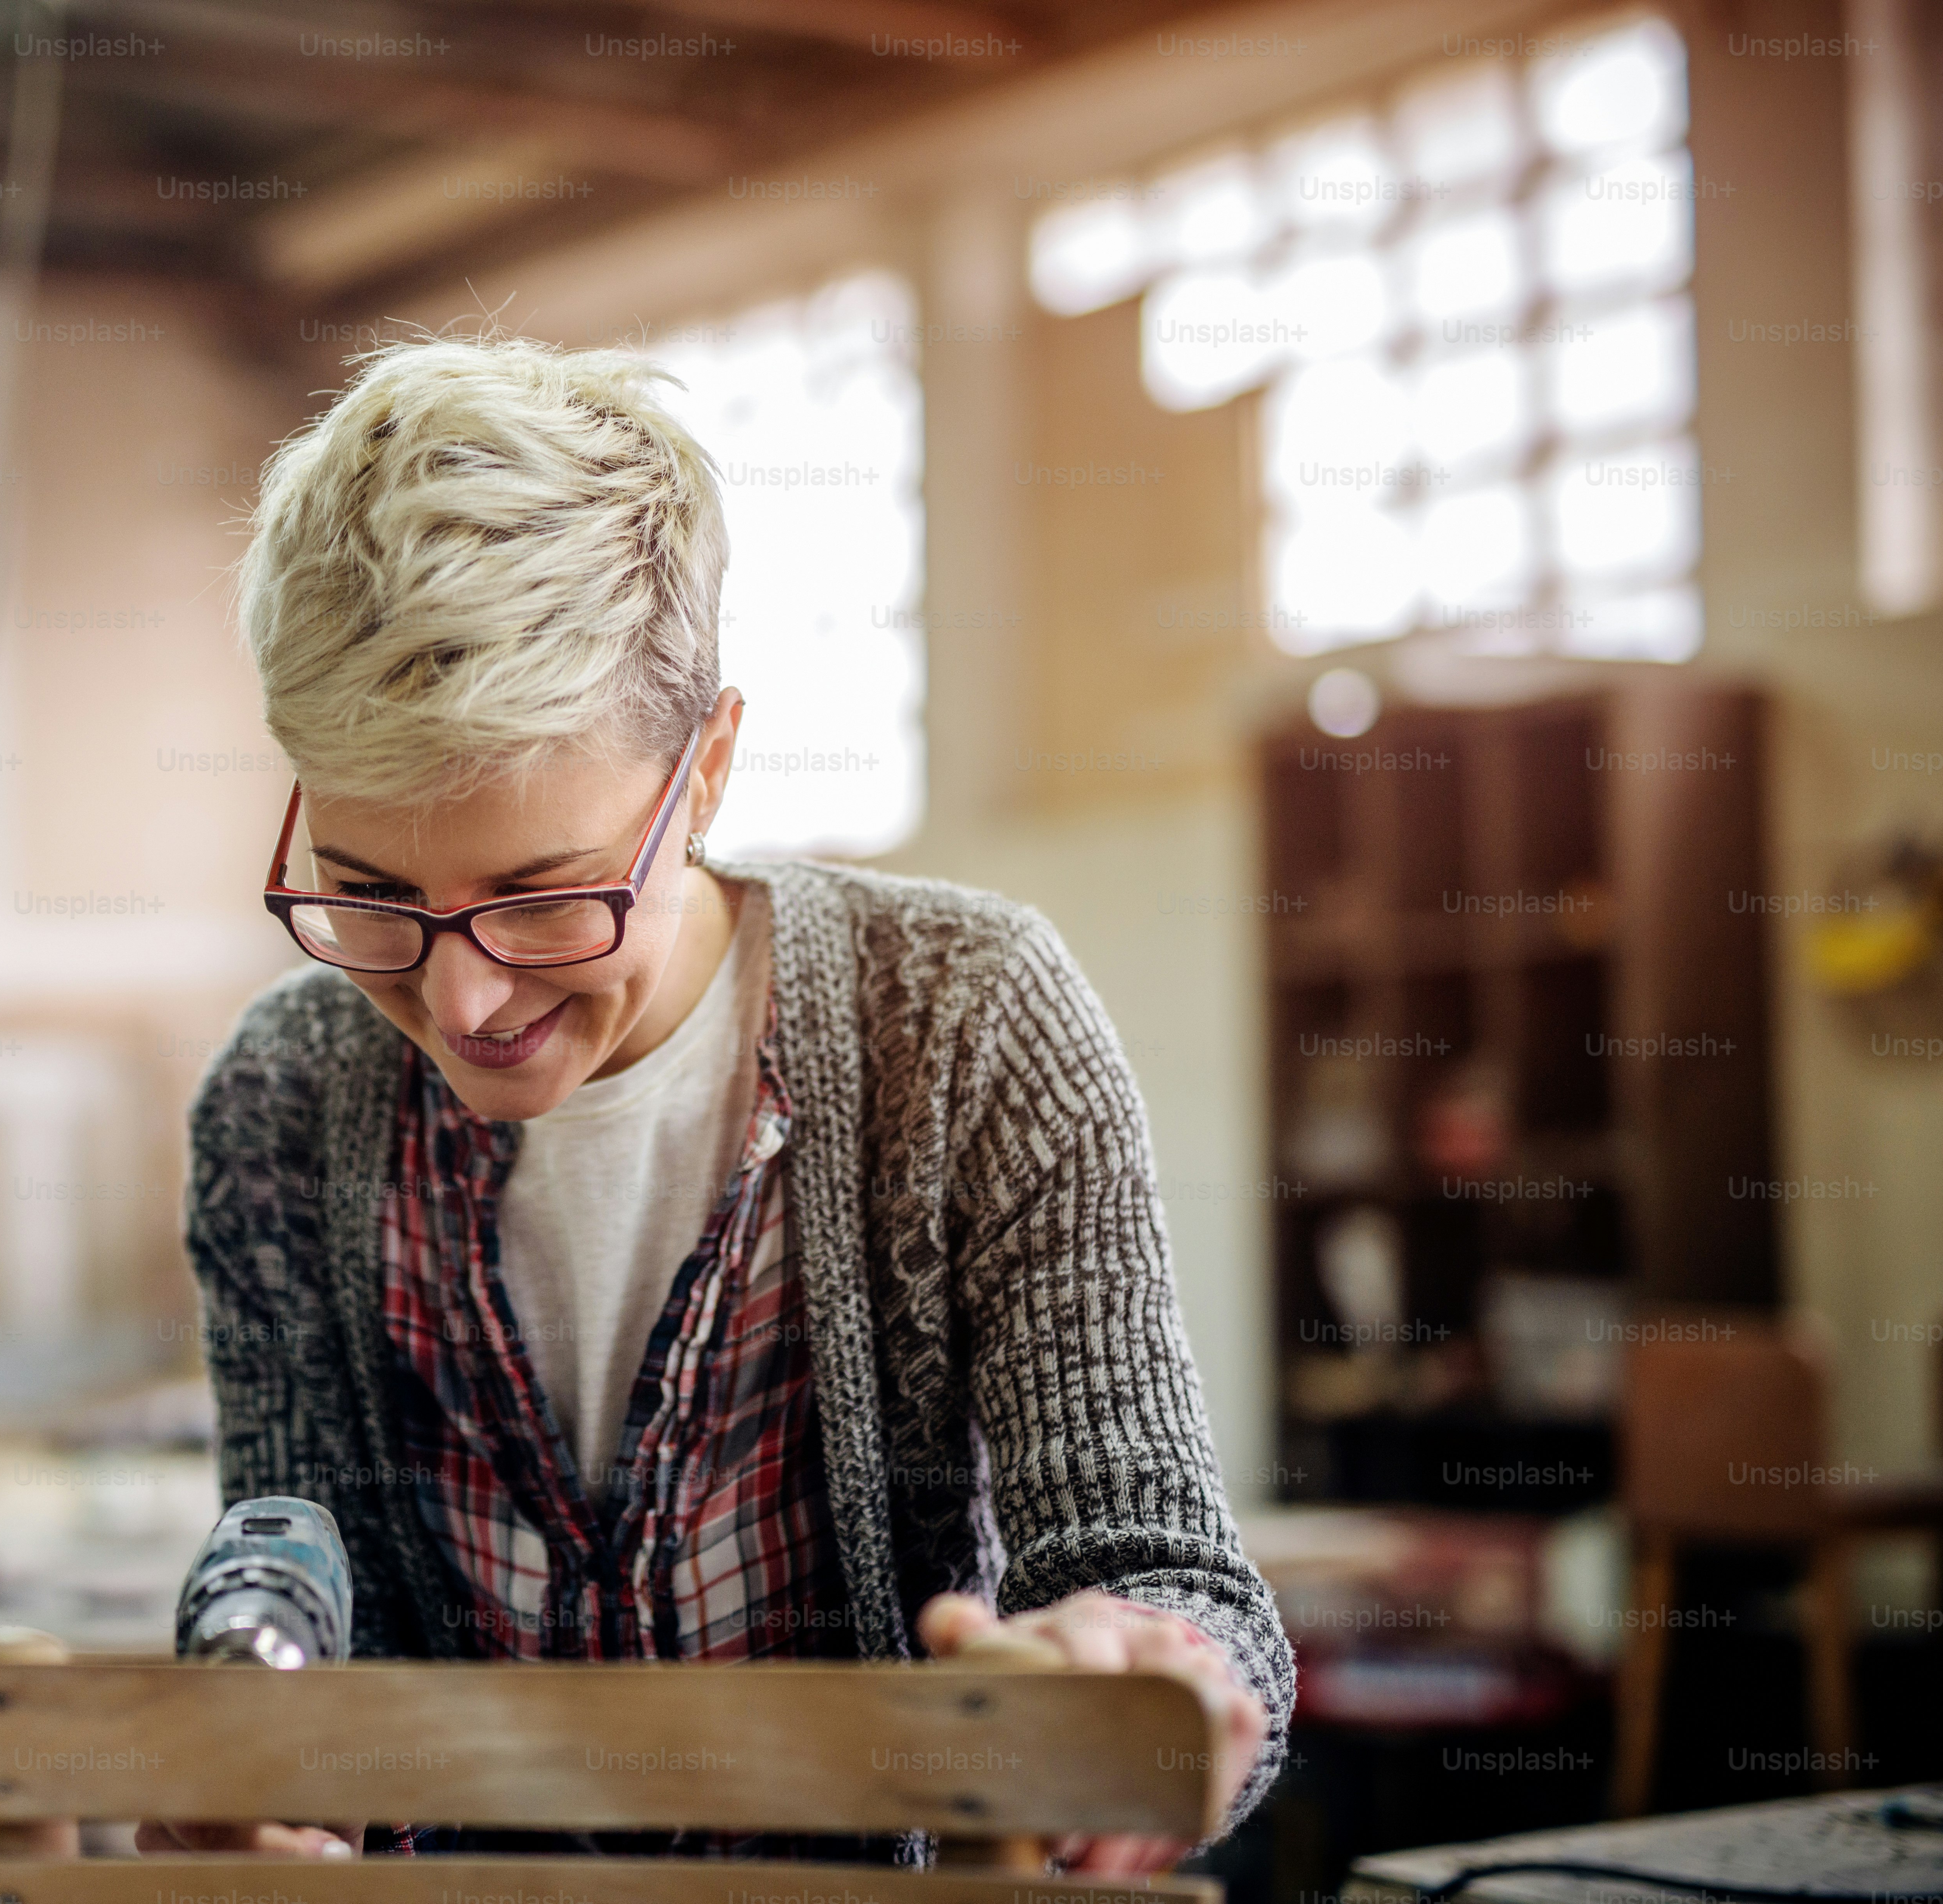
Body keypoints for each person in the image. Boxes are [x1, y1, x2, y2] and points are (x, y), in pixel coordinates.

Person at [146, 335, 1289, 1873]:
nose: (464, 1002)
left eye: (543, 898)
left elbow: (1175, 1584)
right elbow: (287, 1571)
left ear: (709, 771)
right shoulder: (283, 1102)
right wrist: (251, 1762)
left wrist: (1144, 1683)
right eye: (369, 897)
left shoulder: (961, 1023)